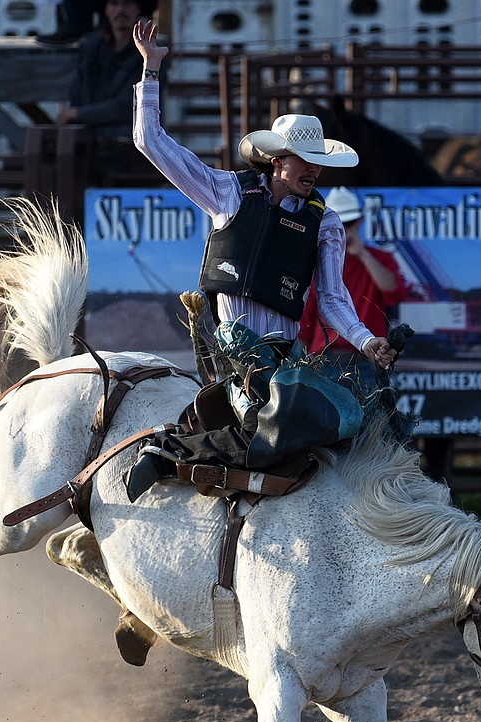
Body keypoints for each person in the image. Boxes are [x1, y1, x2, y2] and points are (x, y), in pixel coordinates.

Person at [125, 19, 397, 498]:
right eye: (302, 158)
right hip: (235, 347)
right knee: (279, 419)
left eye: (317, 161)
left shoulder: (326, 223)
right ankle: (170, 450)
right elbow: (150, 142)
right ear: (277, 161)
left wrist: (365, 340)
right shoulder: (227, 192)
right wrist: (150, 70)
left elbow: (333, 300)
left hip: (284, 357)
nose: (313, 168)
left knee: (350, 416)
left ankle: (179, 449)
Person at [299, 185, 412, 357]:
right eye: (340, 224)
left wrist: (363, 254)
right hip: (324, 354)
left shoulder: (380, 258)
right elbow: (306, 313)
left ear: (359, 221)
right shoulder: (315, 259)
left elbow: (393, 291)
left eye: (349, 223)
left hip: (367, 352)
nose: (344, 229)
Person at [54, 0, 159, 185]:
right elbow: (78, 92)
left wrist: (76, 114)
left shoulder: (152, 52)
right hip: (90, 145)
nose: (120, 10)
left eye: (127, 3)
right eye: (114, 3)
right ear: (106, 10)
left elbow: (128, 105)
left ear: (138, 9)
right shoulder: (92, 47)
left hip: (133, 148)